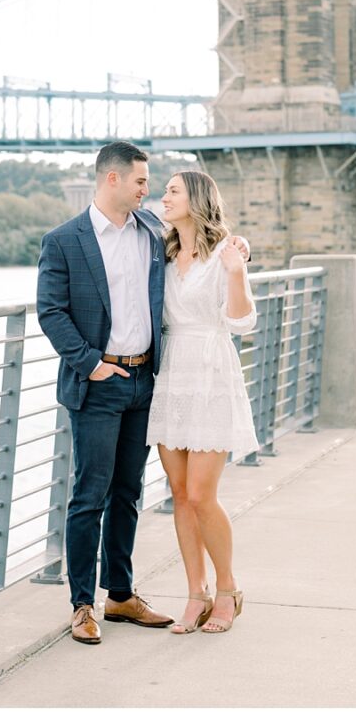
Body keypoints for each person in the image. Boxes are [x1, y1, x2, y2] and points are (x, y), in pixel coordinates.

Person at [35, 142, 249, 647]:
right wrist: (92, 364)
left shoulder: (154, 233)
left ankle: (121, 594)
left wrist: (238, 254)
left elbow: (209, 251)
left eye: (156, 185)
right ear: (112, 179)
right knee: (90, 494)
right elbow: (51, 311)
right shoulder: (64, 240)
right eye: (141, 182)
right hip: (99, 381)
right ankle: (82, 604)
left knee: (128, 494)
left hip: (150, 381)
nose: (148, 191)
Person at [147, 170, 260, 635]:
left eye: (172, 191)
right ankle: (196, 593)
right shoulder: (161, 252)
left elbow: (243, 322)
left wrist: (236, 271)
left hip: (211, 374)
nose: (163, 197)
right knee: (178, 493)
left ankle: (228, 588)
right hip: (172, 375)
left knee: (200, 495)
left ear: (195, 198)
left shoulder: (225, 253)